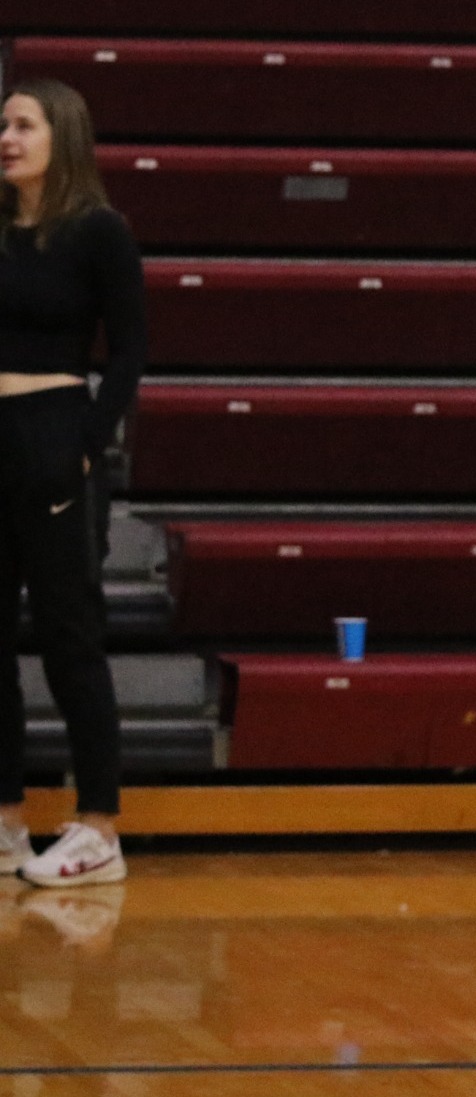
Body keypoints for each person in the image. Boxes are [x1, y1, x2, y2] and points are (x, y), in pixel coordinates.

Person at [0, 80, 144, 887]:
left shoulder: (99, 232)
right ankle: (6, 823)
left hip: (55, 434)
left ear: (65, 135)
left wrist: (85, 445)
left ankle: (98, 826)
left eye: (23, 124)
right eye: (3, 125)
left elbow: (127, 354)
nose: (6, 137)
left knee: (69, 639)